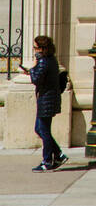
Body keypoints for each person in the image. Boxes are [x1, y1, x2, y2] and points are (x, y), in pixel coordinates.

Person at [20, 35, 67, 172]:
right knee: (40, 129)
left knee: (43, 130)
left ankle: (47, 161)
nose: (34, 50)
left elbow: (36, 79)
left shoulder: (43, 61)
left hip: (46, 100)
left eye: (35, 48)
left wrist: (33, 67)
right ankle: (58, 154)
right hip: (49, 99)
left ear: (41, 49)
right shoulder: (50, 60)